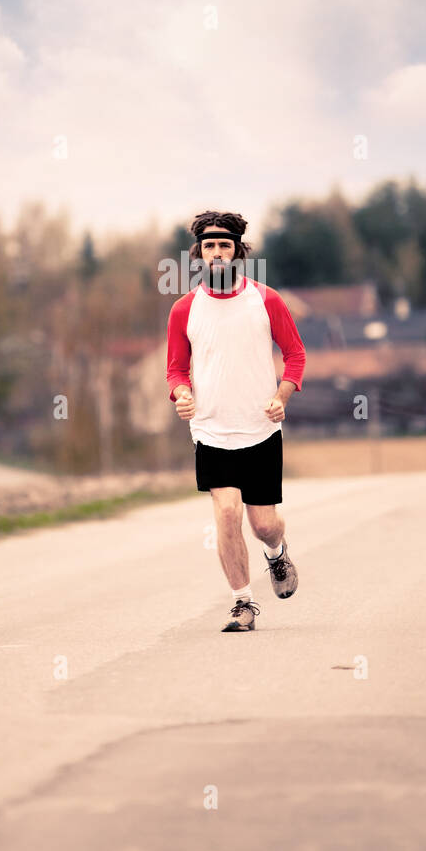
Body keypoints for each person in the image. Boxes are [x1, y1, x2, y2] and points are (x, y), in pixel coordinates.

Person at [166, 210, 306, 631]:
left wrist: (283, 395)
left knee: (263, 524)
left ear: (238, 251)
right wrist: (182, 394)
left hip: (260, 429)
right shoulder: (184, 309)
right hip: (211, 430)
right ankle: (243, 604)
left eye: (225, 245)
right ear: (199, 254)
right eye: (209, 246)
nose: (217, 253)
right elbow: (175, 369)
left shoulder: (267, 300)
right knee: (227, 511)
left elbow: (295, 356)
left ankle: (277, 553)